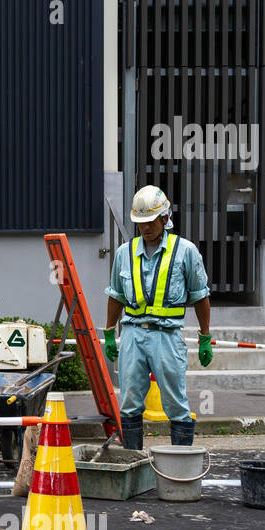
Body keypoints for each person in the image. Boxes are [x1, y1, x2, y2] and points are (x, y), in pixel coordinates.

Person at [102, 185, 212, 449]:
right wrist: (108, 332)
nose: (145, 228)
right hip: (132, 333)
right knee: (129, 402)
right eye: (140, 223)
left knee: (176, 403)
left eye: (150, 222)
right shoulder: (124, 253)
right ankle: (133, 462)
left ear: (164, 218)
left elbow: (200, 296)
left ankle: (180, 466)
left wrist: (205, 336)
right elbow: (116, 294)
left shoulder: (185, 251)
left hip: (167, 335)